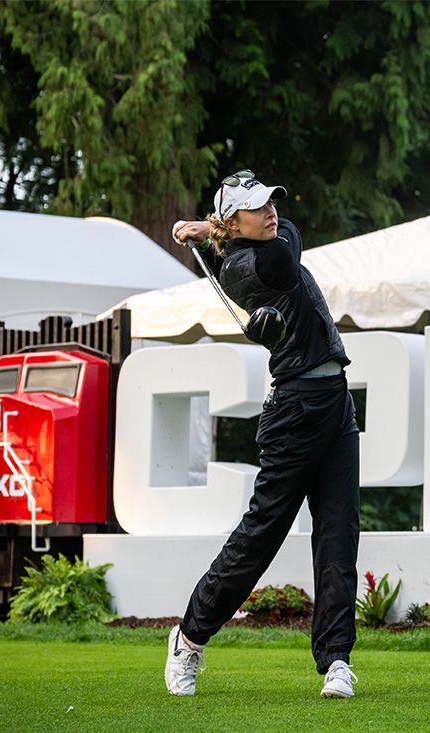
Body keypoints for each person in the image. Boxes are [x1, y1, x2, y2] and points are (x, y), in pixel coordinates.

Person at [166, 169, 359, 699]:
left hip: (335, 401)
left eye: (272, 201)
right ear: (234, 221)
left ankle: (337, 660)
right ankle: (189, 636)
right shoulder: (249, 265)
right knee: (262, 536)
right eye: (257, 207)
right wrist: (213, 234)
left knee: (338, 535)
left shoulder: (258, 240)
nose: (272, 211)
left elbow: (282, 230)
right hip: (294, 410)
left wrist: (207, 229)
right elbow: (286, 244)